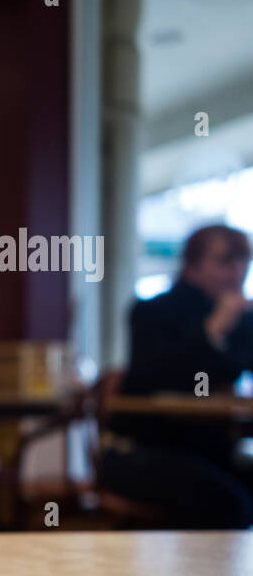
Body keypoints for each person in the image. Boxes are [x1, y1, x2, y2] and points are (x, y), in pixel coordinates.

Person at [103, 224, 253, 527]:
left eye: (243, 261)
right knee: (226, 502)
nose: (237, 271)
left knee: (233, 491)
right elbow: (151, 378)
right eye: (225, 261)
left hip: (212, 451)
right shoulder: (152, 312)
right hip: (141, 451)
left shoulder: (242, 318)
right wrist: (212, 330)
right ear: (192, 267)